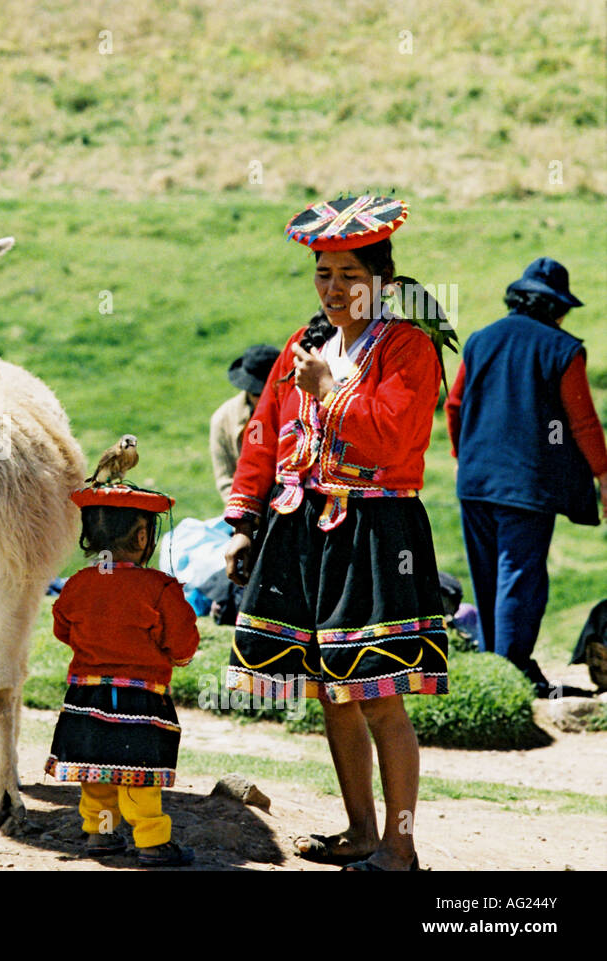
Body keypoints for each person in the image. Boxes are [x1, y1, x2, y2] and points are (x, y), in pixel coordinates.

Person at [223, 196, 449, 871]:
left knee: (379, 695)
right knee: (333, 690)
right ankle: (359, 830)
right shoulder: (305, 343)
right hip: (307, 529)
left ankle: (400, 846)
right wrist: (242, 519)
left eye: (348, 274)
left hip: (377, 528)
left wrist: (329, 391)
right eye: (323, 273)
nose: (332, 288)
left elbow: (394, 435)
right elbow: (265, 431)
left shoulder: (410, 347)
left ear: (381, 278)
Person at [446, 258, 607, 696]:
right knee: (520, 575)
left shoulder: (480, 340)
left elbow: (455, 405)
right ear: (556, 307)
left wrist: (462, 456)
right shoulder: (563, 349)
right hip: (527, 487)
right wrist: (604, 474)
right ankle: (511, 670)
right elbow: (583, 424)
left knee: (487, 574)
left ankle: (497, 672)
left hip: (475, 481)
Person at [46, 483, 200, 867]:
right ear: (144, 536)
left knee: (96, 772)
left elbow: (62, 627)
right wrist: (170, 655)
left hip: (85, 697)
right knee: (137, 775)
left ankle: (100, 835)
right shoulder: (159, 588)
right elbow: (183, 643)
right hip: (139, 701)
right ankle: (151, 842)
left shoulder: (78, 583)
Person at [210, 343, 281, 504]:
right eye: (257, 393)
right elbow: (225, 479)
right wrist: (243, 513)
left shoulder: (297, 410)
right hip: (246, 505)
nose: (263, 400)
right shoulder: (222, 419)